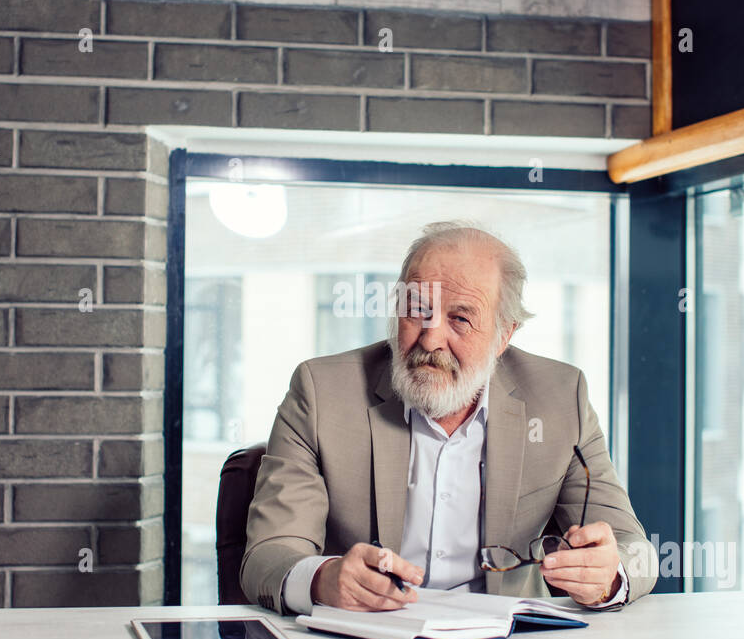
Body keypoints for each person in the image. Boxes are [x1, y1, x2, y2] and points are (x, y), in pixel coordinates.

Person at [241, 221, 658, 616]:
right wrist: (323, 579)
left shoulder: (561, 397)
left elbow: (635, 549)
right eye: (416, 309)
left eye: (460, 319)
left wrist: (609, 575)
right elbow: (268, 554)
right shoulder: (321, 392)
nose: (431, 338)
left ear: (504, 335)